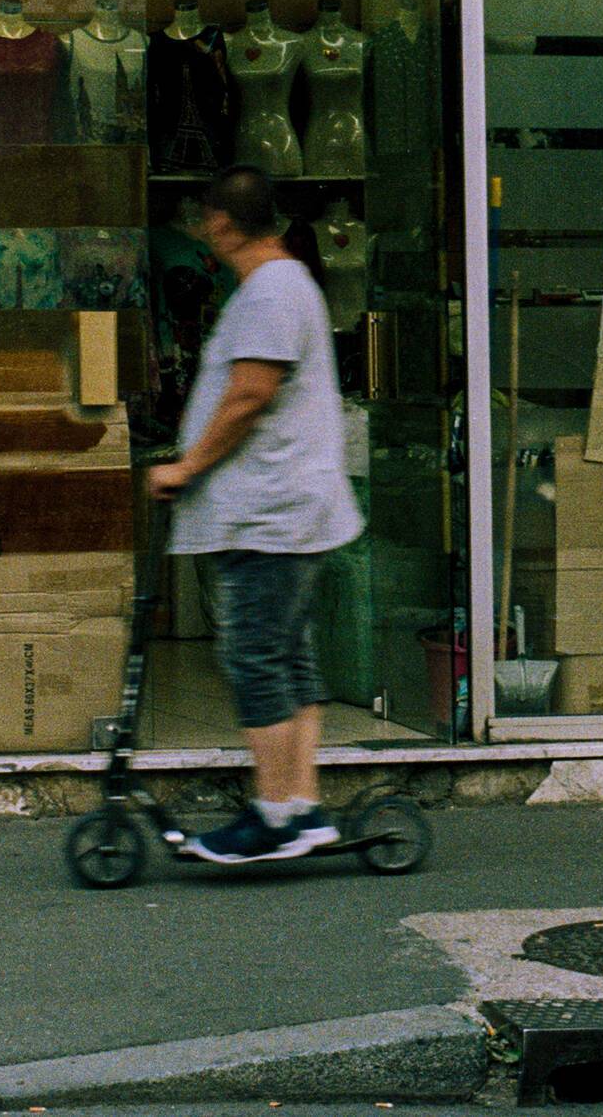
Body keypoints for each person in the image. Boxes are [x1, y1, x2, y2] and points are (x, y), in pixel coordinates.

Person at [146, 164, 364, 865]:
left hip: (270, 512)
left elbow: (249, 395)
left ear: (219, 224)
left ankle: (272, 817)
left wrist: (186, 466)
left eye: (203, 218)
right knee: (289, 658)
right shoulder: (284, 283)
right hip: (285, 507)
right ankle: (301, 807)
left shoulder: (270, 290)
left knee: (256, 659)